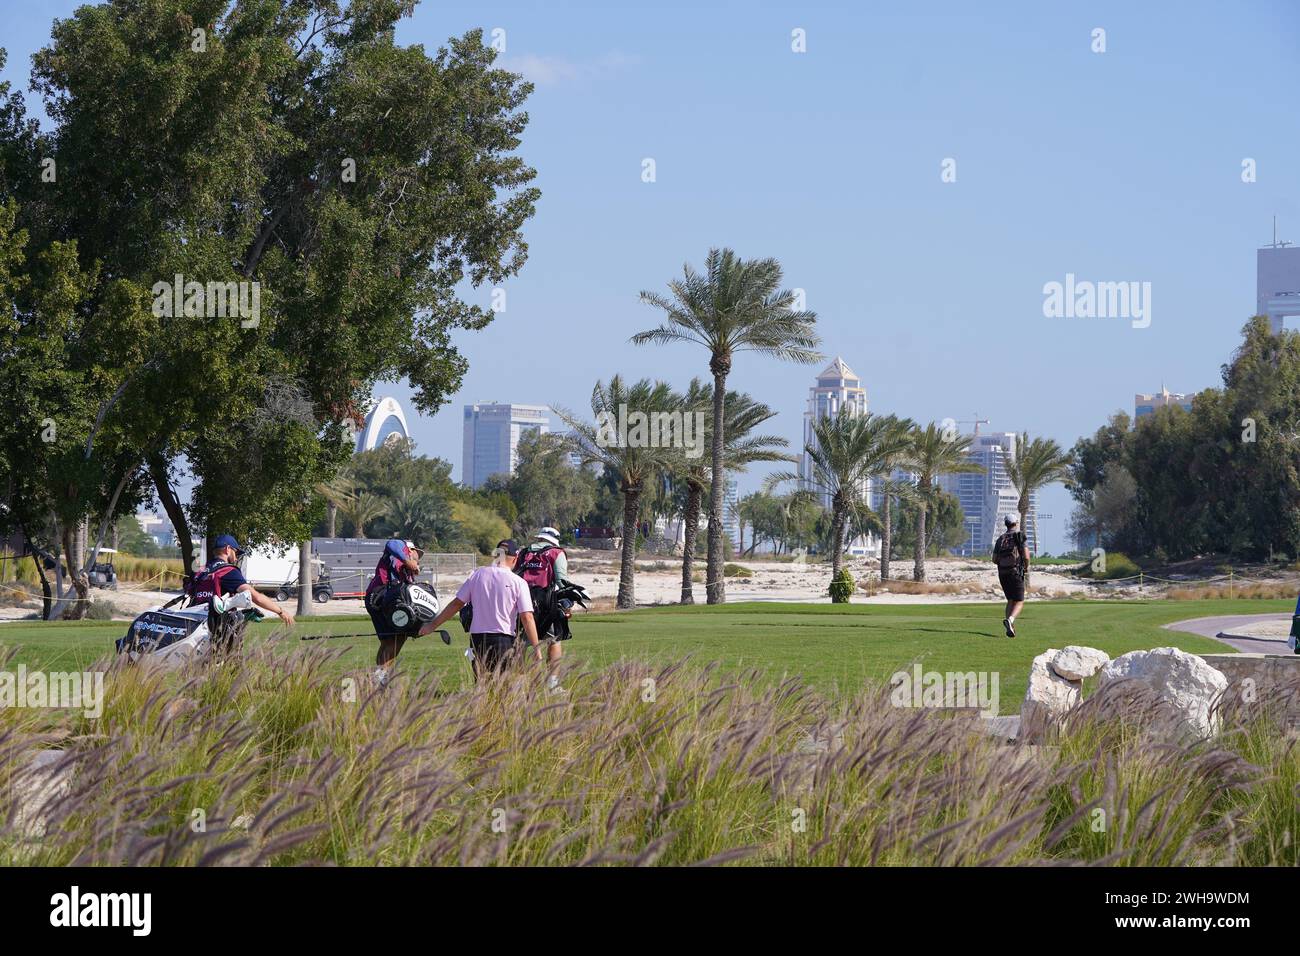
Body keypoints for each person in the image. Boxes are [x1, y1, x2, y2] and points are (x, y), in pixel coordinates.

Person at [420, 539, 541, 680]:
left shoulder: (477, 575)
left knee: (481, 685)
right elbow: (527, 618)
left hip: (477, 639)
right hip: (503, 639)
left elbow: (456, 604)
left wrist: (432, 625)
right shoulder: (518, 582)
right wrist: (537, 649)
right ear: (515, 559)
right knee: (504, 688)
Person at [187, 534, 295, 626]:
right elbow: (256, 597)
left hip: (193, 622)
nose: (236, 557)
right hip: (216, 627)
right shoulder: (228, 571)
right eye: (236, 552)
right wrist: (280, 611)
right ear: (227, 549)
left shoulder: (200, 571)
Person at [514, 526, 572, 691]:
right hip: (547, 605)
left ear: (540, 538)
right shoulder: (556, 553)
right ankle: (552, 685)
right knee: (554, 641)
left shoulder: (523, 553)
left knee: (520, 645)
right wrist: (568, 604)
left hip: (522, 604)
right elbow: (562, 581)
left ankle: (519, 685)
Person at [365, 538, 424, 685]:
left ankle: (378, 678)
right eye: (418, 555)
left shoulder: (407, 573)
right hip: (380, 597)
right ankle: (378, 679)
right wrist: (409, 562)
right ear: (411, 550)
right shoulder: (401, 546)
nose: (419, 560)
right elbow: (391, 544)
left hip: (382, 601)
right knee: (395, 639)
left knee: (388, 641)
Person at [991, 514, 1030, 637]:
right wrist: (1025, 567)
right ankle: (1011, 620)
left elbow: (994, 559)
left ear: (1006, 524)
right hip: (1015, 572)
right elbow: (1027, 556)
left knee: (1010, 600)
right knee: (1019, 601)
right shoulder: (1019, 536)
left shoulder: (1000, 539)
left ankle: (1010, 628)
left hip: (1003, 573)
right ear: (1016, 523)